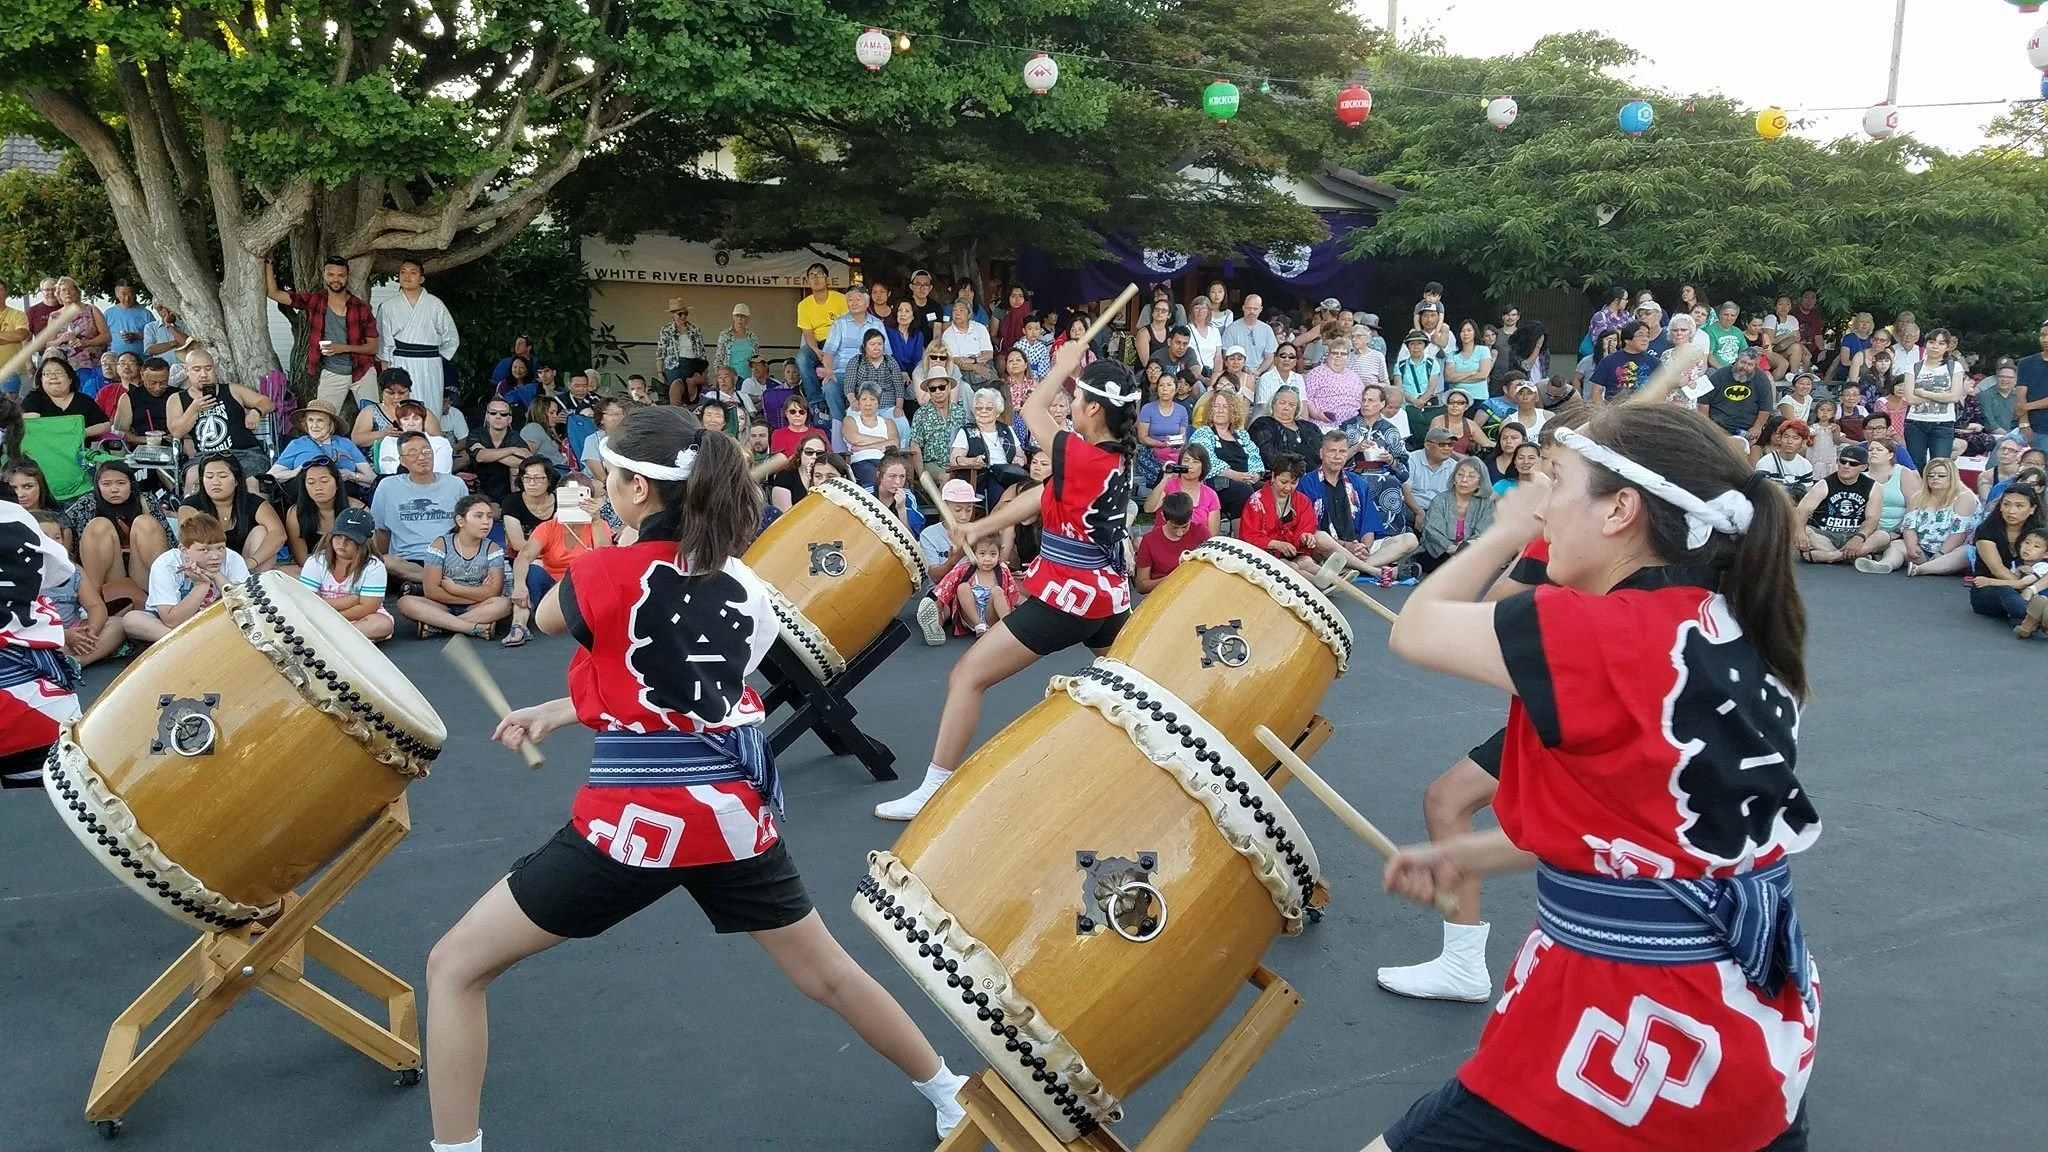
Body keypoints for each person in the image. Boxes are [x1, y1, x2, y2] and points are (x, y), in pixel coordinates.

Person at [422, 406, 972, 1152]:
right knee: (830, 973)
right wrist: (559, 710)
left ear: (638, 492)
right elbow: (680, 693)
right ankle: (947, 1090)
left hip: (636, 829)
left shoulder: (602, 571)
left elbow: (555, 618)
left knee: (454, 968)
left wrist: (610, 553)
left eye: (608, 477)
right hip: (732, 814)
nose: (600, 486)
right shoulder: (749, 590)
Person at [1372, 402, 1818, 1152]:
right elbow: (1643, 828)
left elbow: (1415, 626)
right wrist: (1467, 854)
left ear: (1620, 508)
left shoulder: (1599, 632)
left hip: (1621, 1016)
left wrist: (1509, 530)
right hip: (1754, 1014)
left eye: (1557, 484)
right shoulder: (1741, 628)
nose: (1543, 501)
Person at [878, 348, 1136, 819]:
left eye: (1077, 398)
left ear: (1094, 408)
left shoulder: (1080, 452)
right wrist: (979, 528)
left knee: (966, 677)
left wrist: (1065, 364)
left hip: (1068, 601)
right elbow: (1043, 494)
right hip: (1107, 598)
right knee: (1131, 691)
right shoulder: (1109, 457)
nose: (1070, 403)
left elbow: (1032, 408)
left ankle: (933, 789)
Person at [0, 499, 83, 789]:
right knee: (82, 792)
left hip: (21, 682)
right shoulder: (15, 516)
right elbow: (59, 572)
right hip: (35, 693)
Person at [507, 478, 614, 646]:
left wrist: (595, 521)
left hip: (585, 587)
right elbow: (524, 556)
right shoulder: (549, 527)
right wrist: (519, 585)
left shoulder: (600, 525)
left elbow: (605, 556)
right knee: (533, 570)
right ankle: (518, 624)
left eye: (581, 495)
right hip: (553, 589)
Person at [1299, 430, 1419, 580]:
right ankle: (1373, 570)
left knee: (1410, 539)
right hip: (1329, 548)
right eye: (1332, 451)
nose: (1337, 456)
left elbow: (1368, 524)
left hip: (1357, 546)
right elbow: (1309, 528)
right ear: (1322, 453)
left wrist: (1364, 548)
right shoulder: (1307, 483)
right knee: (1319, 537)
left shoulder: (1357, 482)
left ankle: (1352, 568)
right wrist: (1346, 545)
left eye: (1342, 451)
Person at [266, 253, 379, 412]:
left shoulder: (360, 307)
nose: (336, 279)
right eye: (331, 274)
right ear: (324, 275)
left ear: (347, 277)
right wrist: (269, 262)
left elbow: (373, 347)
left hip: (362, 370)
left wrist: (343, 348)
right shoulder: (315, 301)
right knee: (323, 416)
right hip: (332, 371)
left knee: (374, 417)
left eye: (341, 275)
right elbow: (274, 293)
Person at [122, 512, 253, 646]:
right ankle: (189, 644)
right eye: (205, 550)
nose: (216, 556)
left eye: (220, 548)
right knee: (132, 620)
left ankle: (190, 644)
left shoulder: (232, 559)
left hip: (215, 622)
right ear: (184, 550)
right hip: (173, 626)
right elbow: (171, 620)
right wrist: (201, 586)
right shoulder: (167, 564)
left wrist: (217, 575)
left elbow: (245, 606)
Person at [397, 494, 513, 640]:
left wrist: (454, 588)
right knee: (406, 602)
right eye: (478, 516)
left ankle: (438, 626)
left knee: (504, 604)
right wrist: (479, 592)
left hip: (478, 606)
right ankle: (471, 627)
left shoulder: (493, 549)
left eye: (489, 517)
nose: (486, 522)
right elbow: (431, 591)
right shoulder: (440, 544)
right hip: (441, 605)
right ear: (460, 520)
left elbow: (494, 592)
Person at [371, 432, 471, 590]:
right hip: (406, 561)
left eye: (426, 451)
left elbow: (466, 527)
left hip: (446, 557)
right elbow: (381, 531)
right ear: (402, 461)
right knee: (387, 561)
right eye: (412, 453)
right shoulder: (387, 486)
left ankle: (422, 585)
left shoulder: (455, 484)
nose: (421, 457)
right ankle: (443, 583)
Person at [71, 461, 168, 614]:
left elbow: (170, 540)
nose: (114, 489)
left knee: (145, 523)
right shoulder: (87, 504)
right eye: (106, 484)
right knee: (98, 525)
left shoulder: (146, 501)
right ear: (98, 485)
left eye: (121, 483)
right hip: (108, 577)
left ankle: (166, 598)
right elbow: (74, 548)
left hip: (144, 573)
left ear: (131, 484)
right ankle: (91, 605)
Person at [376, 259, 459, 415]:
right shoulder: (388, 306)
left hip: (430, 364)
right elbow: (384, 343)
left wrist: (435, 357)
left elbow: (451, 338)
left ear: (421, 278)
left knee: (430, 407)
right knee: (401, 409)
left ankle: (431, 438)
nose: (407, 276)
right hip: (400, 363)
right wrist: (386, 375)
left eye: (413, 272)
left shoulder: (435, 304)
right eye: (403, 272)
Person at [296, 507, 392, 641]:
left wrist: (329, 614)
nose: (342, 543)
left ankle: (331, 637)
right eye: (338, 536)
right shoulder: (316, 561)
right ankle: (344, 639)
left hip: (356, 619)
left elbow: (368, 607)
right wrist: (353, 600)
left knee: (383, 624)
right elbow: (308, 602)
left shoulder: (374, 567)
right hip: (322, 618)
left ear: (364, 542)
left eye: (350, 539)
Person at [181, 454, 284, 573]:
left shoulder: (254, 502)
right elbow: (188, 542)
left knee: (262, 531)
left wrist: (251, 562)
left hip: (248, 567)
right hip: (207, 568)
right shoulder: (190, 505)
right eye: (209, 477)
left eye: (223, 476)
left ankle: (254, 584)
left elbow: (279, 534)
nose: (215, 482)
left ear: (236, 480)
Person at [1970, 484, 2046, 623]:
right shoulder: (1986, 530)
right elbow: (1997, 569)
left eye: (2019, 506)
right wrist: (2023, 587)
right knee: (2006, 592)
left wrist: (2032, 589)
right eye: (2006, 504)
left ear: (2032, 509)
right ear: (2000, 506)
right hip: (1989, 587)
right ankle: (2038, 617)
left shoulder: (2040, 532)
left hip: (2033, 588)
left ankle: (2027, 620)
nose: (2011, 511)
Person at [1796, 443, 1882, 564]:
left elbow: (1873, 519)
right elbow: (1802, 510)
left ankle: (1830, 557)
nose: (1846, 466)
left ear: (1863, 467)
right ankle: (1852, 557)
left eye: (1853, 464)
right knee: (1806, 531)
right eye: (1842, 461)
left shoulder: (1873, 487)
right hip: (1825, 534)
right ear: (1837, 462)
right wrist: (1800, 533)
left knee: (1883, 536)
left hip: (1854, 534)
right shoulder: (1824, 484)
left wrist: (1859, 538)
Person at [1186, 390, 1264, 520]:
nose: (1220, 410)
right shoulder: (1203, 433)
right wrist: (1235, 475)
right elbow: (1206, 460)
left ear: (1233, 411)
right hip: (1218, 482)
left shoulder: (1242, 435)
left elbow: (1254, 456)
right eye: (1216, 406)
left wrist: (1255, 475)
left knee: (1265, 489)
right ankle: (1240, 536)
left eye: (1225, 406)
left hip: (1245, 479)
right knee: (1243, 490)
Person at [269, 400, 373, 486]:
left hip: (345, 495)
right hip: (305, 497)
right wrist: (294, 473)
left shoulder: (346, 443)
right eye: (310, 420)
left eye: (320, 421)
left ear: (331, 425)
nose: (314, 425)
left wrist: (351, 476)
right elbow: (270, 476)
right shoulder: (297, 444)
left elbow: (371, 478)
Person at [284, 458, 365, 568]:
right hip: (313, 571)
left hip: (351, 569)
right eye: (311, 482)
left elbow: (366, 554)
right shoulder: (295, 513)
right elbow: (301, 560)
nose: (318, 488)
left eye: (324, 481)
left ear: (337, 483)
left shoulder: (358, 511)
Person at [1418, 458, 1495, 571]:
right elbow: (1433, 531)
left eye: (1471, 476)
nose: (1464, 480)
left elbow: (1483, 532)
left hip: (1470, 553)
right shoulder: (1440, 500)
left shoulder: (1486, 504)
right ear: (1454, 479)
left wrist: (1465, 549)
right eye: (1460, 475)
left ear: (1480, 483)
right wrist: (1453, 549)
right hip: (1440, 552)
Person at [1902, 328, 1965, 468]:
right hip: (1915, 423)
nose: (1935, 346)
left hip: (1943, 423)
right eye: (1932, 342)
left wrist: (1924, 393)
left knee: (1940, 465)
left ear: (1947, 347)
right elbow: (1910, 399)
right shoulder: (1913, 367)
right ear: (1926, 344)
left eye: (1941, 343)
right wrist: (1942, 395)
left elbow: (1954, 396)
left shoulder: (1955, 367)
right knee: (1915, 465)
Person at [1134, 490, 1212, 594]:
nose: (1179, 533)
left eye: (1185, 526)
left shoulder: (1201, 532)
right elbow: (1141, 585)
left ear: (1192, 516)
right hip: (1163, 594)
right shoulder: (1149, 540)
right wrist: (1171, 580)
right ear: (1163, 517)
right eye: (1174, 527)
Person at [21, 357, 113, 440]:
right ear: (41, 380)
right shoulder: (33, 398)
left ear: (70, 379)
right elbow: (29, 424)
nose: (53, 377)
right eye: (47, 374)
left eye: (59, 373)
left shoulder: (83, 400)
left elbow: (105, 425)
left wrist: (82, 433)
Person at [1698, 347, 1773, 450]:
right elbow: (1704, 402)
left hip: (1746, 430)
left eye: (1750, 365)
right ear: (1737, 360)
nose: (1745, 367)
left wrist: (1757, 427)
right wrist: (1708, 425)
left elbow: (1765, 407)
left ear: (1755, 366)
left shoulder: (1761, 379)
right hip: (1717, 426)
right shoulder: (1721, 374)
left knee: (1755, 446)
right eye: (1743, 362)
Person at [1142, 442, 1222, 536]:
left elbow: (1212, 534)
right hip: (1165, 540)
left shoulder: (1210, 495)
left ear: (1203, 466)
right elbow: (1148, 509)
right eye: (1186, 461)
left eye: (1195, 462)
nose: (1190, 466)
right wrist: (1165, 480)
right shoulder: (1168, 485)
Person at [373, 400, 455, 476]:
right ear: (399, 423)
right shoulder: (389, 442)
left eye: (416, 419)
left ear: (423, 421)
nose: (411, 423)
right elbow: (387, 470)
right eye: (405, 419)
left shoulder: (440, 443)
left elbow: (442, 472)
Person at [1591, 320, 1659, 402]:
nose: (1645, 339)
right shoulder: (1608, 361)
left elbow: (1663, 389)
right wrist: (1602, 412)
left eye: (1647, 335)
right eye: (1640, 335)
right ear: (1627, 340)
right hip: (1615, 410)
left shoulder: (1655, 363)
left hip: (1645, 411)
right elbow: (1596, 390)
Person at [1754, 418, 1817, 499]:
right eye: (1786, 437)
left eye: (1795, 438)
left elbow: (1806, 496)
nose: (1789, 441)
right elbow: (1761, 493)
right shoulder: (1765, 462)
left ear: (1803, 442)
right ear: (1780, 438)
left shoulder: (1806, 465)